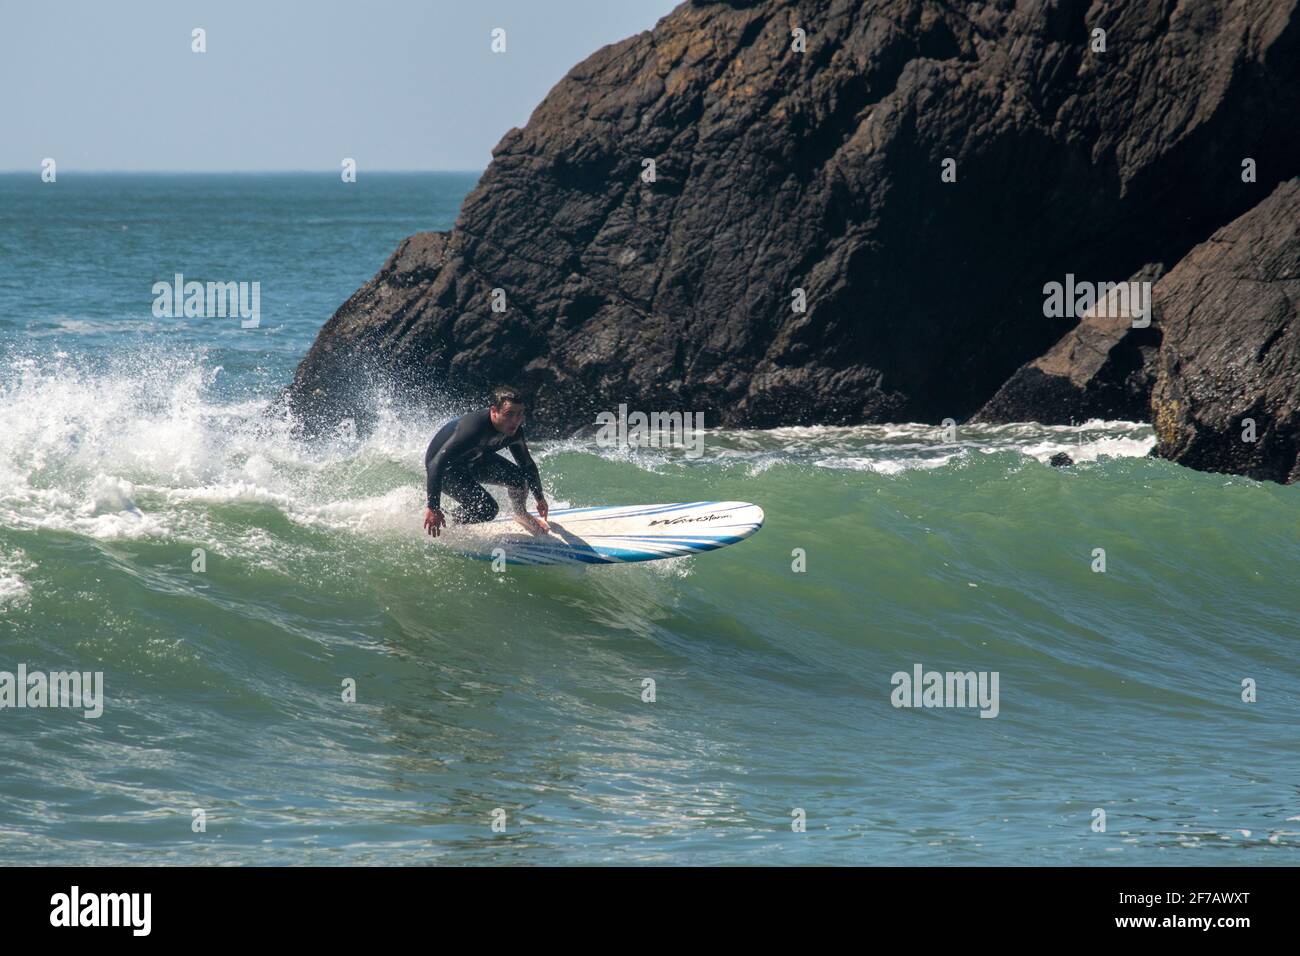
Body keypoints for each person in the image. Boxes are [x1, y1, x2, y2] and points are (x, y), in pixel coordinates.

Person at [423, 386, 550, 538]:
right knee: (487, 510)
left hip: (475, 460)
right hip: (447, 471)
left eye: (520, 414)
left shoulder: (514, 431)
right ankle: (449, 521)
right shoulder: (472, 431)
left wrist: (539, 497)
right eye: (509, 414)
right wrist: (433, 507)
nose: (516, 420)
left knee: (520, 480)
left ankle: (521, 514)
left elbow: (526, 464)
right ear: (494, 411)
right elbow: (435, 464)